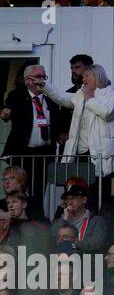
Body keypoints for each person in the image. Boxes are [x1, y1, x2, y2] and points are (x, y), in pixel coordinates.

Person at [1, 63, 60, 203]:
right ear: (28, 80)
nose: (42, 81)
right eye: (38, 77)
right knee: (18, 192)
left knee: (38, 193)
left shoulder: (51, 98)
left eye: (43, 77)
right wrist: (5, 112)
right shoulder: (17, 96)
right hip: (22, 153)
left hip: (44, 153)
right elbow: (8, 108)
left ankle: (36, 222)